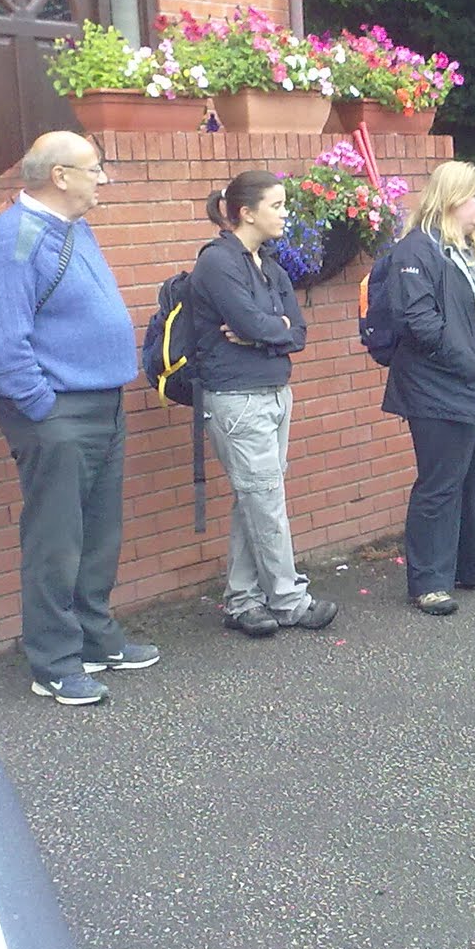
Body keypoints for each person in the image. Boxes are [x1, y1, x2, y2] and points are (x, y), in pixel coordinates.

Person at [0, 131, 156, 705]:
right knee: (57, 539)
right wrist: (41, 407)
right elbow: (4, 341)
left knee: (99, 532)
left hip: (101, 403)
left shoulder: (73, 227)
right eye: (94, 168)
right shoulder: (15, 241)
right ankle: (53, 661)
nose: (102, 178)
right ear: (60, 175)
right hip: (57, 412)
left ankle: (96, 637)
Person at [188, 171, 338, 639]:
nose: (285, 213)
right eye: (277, 205)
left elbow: (296, 331)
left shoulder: (269, 265)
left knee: (254, 497)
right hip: (237, 397)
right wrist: (267, 333)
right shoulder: (217, 262)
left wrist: (265, 335)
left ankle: (243, 600)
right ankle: (289, 600)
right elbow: (253, 322)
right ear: (247, 212)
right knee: (265, 499)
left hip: (274, 391)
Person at [383, 161, 475, 617]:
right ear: (452, 199)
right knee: (441, 485)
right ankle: (428, 579)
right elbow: (419, 322)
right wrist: (469, 361)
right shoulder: (417, 251)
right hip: (442, 388)